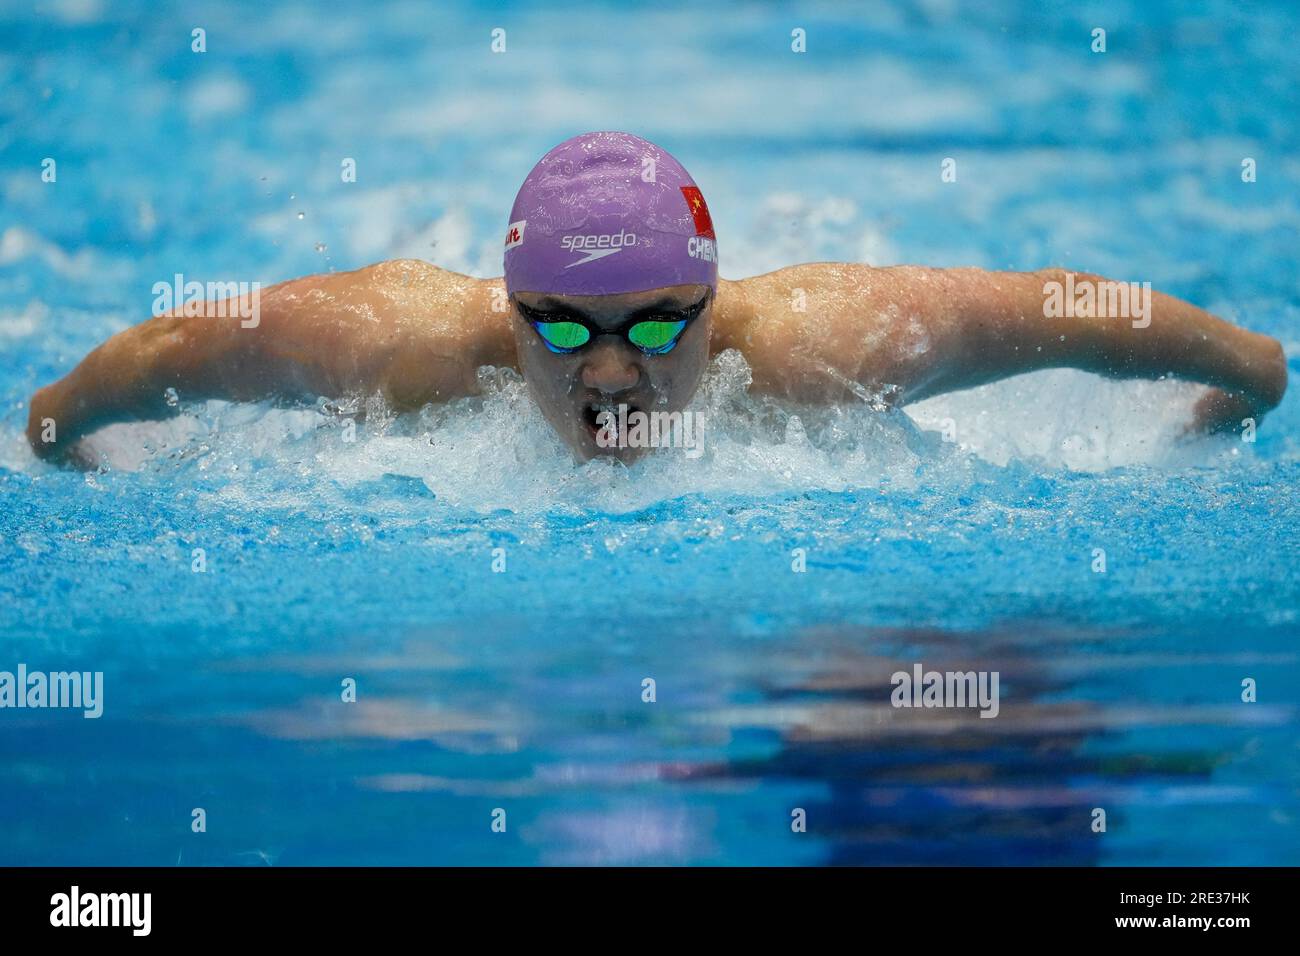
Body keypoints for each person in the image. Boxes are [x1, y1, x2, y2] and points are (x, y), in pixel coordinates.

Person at [26, 131, 1287, 466]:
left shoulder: (818, 345)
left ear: (714, 298)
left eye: (660, 324)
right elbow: (161, 352)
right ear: (509, 313)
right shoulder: (402, 348)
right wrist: (54, 436)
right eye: (564, 328)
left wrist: (1244, 379)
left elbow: (1070, 307)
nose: (613, 373)